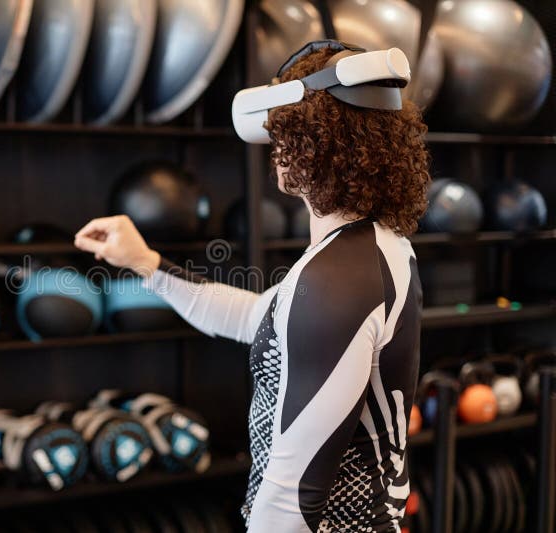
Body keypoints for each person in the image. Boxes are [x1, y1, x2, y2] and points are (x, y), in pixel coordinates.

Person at [74, 40, 430, 532]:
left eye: (285, 129)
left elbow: (292, 497)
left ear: (312, 139)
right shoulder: (377, 248)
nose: (276, 147)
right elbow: (254, 318)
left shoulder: (337, 280)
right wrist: (147, 264)